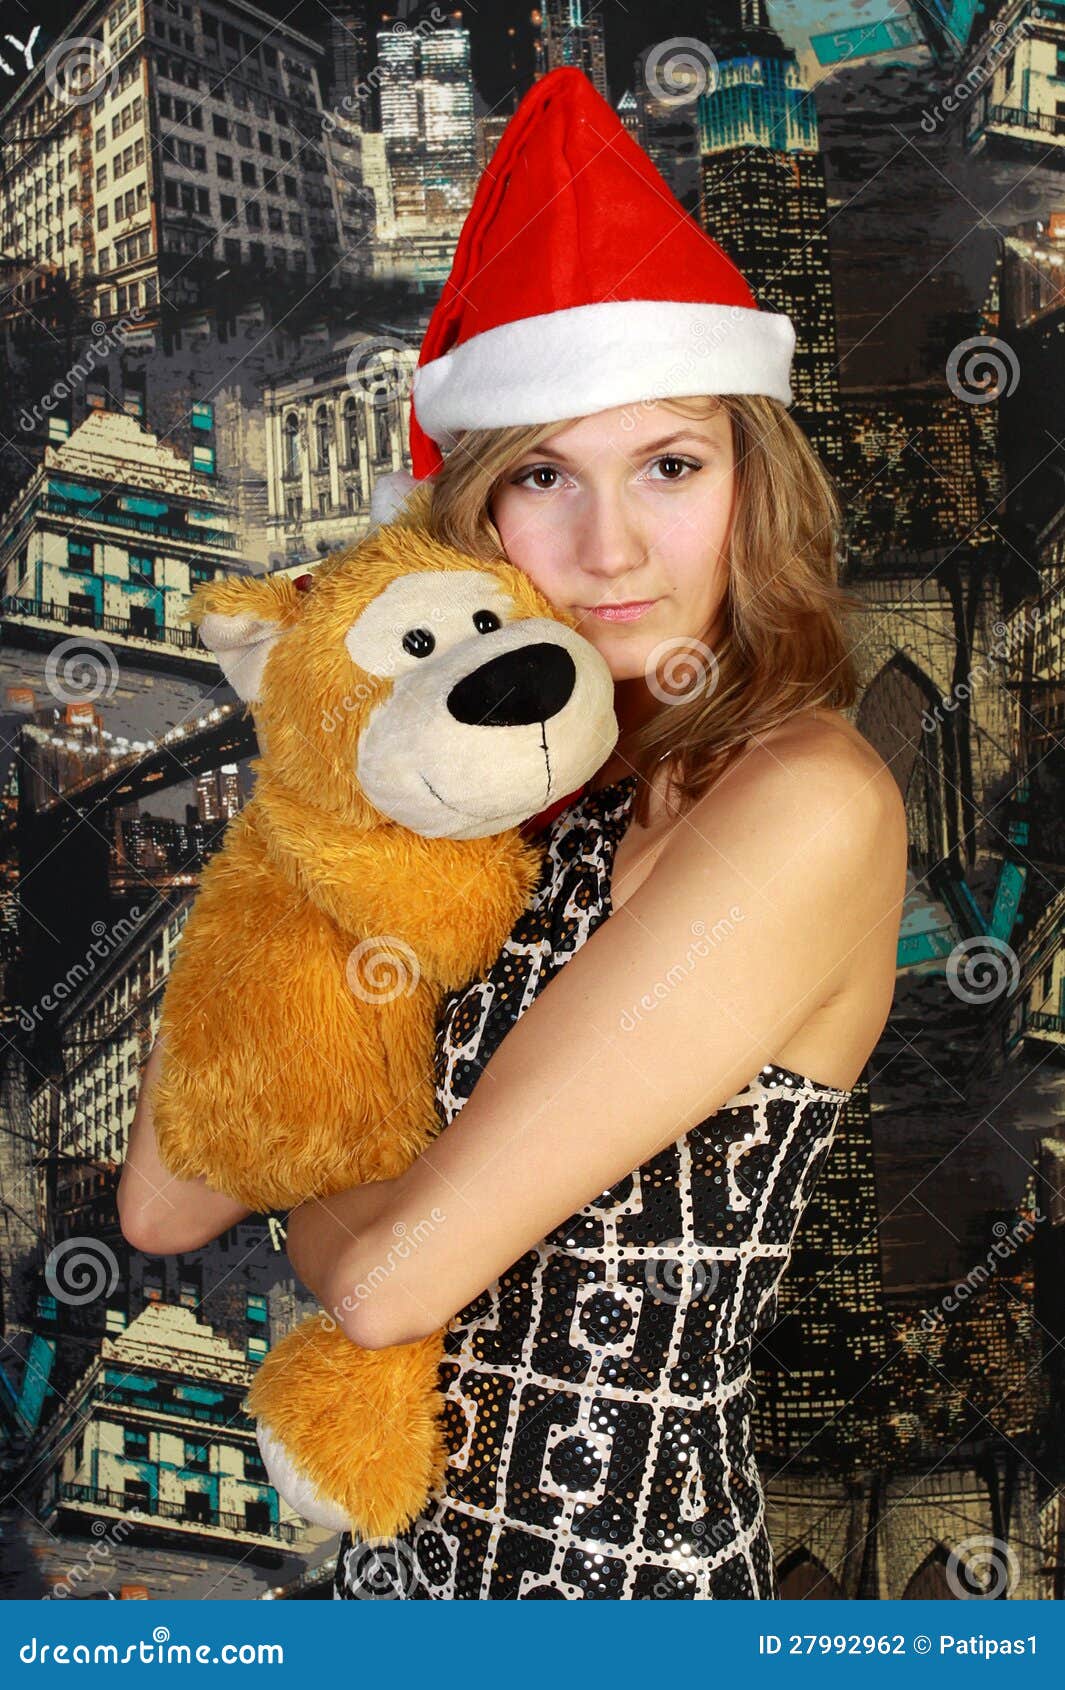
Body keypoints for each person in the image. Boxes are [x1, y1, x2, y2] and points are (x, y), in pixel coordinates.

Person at [121, 67, 906, 1599]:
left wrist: (332, 1190)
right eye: (543, 474)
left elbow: (391, 1280)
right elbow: (167, 1195)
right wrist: (328, 764)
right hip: (393, 1597)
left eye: (669, 466)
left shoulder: (802, 802)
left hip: (618, 1598)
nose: (609, 548)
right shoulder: (504, 800)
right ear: (468, 520)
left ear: (750, 481)